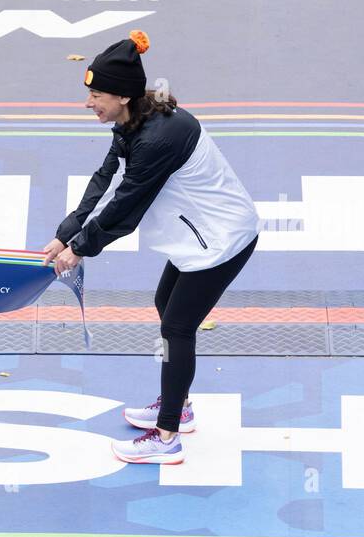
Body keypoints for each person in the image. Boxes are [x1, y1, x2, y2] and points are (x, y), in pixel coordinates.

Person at [42, 30, 260, 465]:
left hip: (221, 241)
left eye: (97, 94)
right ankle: (176, 403)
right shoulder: (134, 122)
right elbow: (105, 179)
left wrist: (80, 249)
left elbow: (126, 206)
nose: (89, 103)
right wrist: (66, 232)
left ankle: (167, 436)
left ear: (122, 96)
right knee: (166, 306)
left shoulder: (159, 138)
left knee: (177, 328)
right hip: (199, 238)